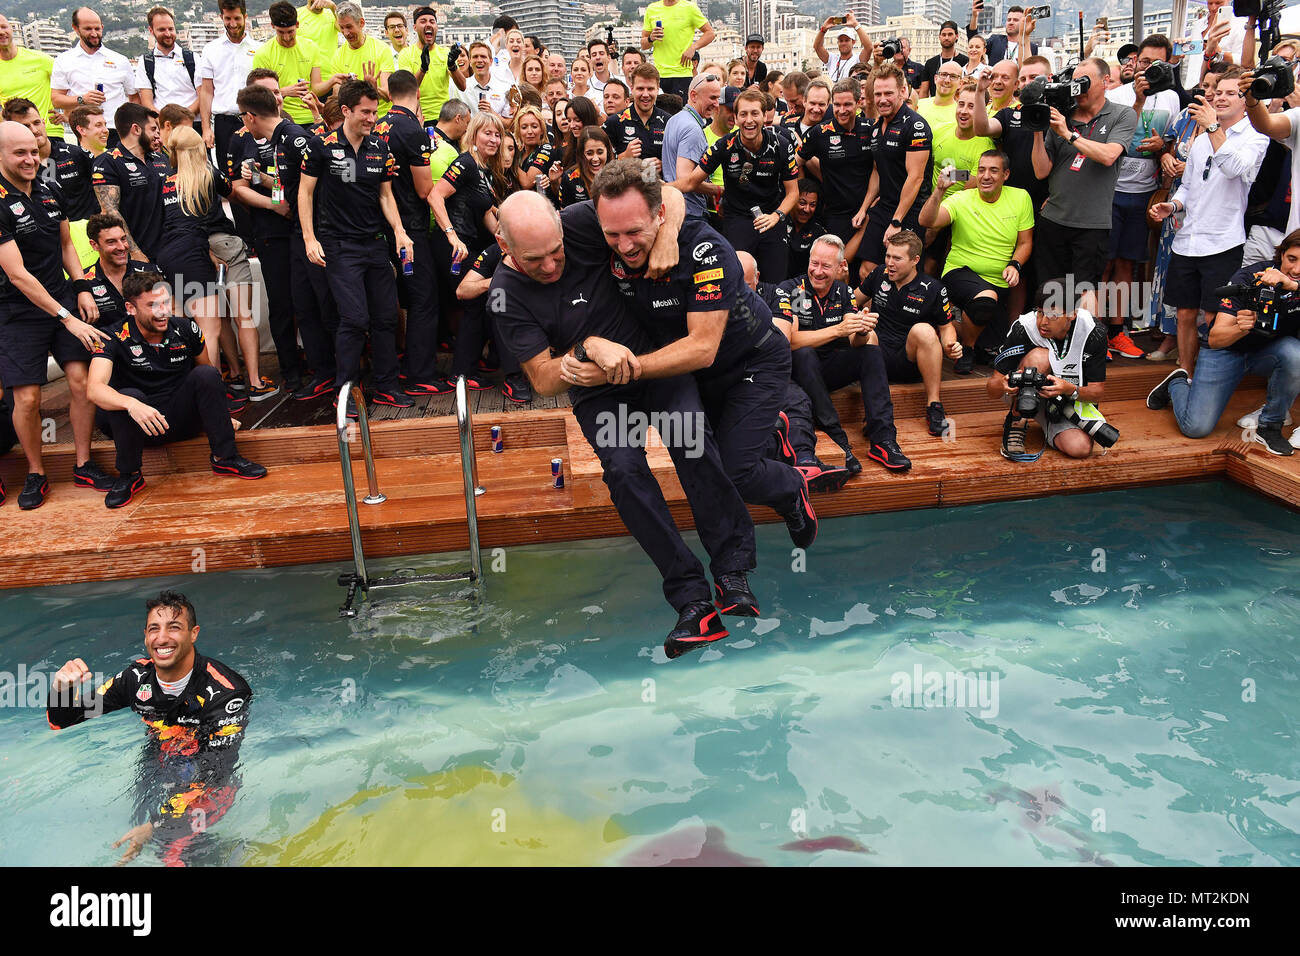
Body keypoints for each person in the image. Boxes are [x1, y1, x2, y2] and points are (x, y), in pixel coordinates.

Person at [493, 189, 760, 658]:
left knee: (691, 439)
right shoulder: (504, 293)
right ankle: (690, 597)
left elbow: (667, 192)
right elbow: (541, 379)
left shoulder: (579, 220)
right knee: (624, 473)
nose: (553, 267)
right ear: (504, 246)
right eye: (536, 261)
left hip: (652, 362)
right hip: (598, 391)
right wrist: (586, 347)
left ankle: (731, 569)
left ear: (563, 227)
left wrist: (669, 235)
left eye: (558, 253)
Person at [574, 159, 819, 548]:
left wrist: (620, 371)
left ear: (660, 216)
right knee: (707, 456)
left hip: (750, 362)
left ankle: (792, 488)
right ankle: (772, 437)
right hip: (693, 371)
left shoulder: (706, 249)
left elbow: (702, 349)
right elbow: (666, 188)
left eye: (635, 232)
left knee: (734, 473)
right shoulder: (613, 215)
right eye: (613, 234)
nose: (624, 245)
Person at [46, 590, 252, 865]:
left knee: (169, 846)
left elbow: (216, 770)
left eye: (174, 627)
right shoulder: (135, 680)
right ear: (145, 635)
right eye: (154, 629)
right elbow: (63, 720)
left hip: (211, 781)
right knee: (141, 831)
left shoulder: (226, 693)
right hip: (159, 758)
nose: (162, 637)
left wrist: (158, 825)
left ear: (194, 633)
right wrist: (60, 689)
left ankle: (232, 854)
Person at [0, 119, 109, 509]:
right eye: (20, 153)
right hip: (18, 310)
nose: (30, 159)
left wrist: (81, 287)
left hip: (63, 299)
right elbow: (17, 274)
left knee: (81, 381)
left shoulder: (49, 189)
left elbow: (66, 244)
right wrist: (67, 316)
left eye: (33, 150)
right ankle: (36, 472)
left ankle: (82, 463)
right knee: (27, 398)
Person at [87, 273, 267, 504]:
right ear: (131, 308)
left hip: (178, 417)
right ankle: (130, 475)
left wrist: (219, 417)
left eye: (165, 302)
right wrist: (131, 405)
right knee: (127, 395)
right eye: (153, 305)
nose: (163, 311)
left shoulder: (186, 329)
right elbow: (94, 389)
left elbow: (208, 380)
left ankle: (226, 458)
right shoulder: (112, 336)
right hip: (136, 426)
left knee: (207, 373)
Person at [300, 79, 415, 415]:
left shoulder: (381, 148)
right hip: (338, 246)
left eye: (374, 111)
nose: (371, 117)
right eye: (365, 112)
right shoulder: (320, 146)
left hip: (374, 244)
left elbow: (386, 195)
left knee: (385, 317)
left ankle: (387, 387)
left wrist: (399, 231)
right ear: (346, 110)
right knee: (354, 318)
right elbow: (305, 193)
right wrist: (309, 238)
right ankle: (346, 391)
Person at [1149, 66, 1267, 378]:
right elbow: (1189, 185)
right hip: (1188, 238)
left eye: (1232, 93)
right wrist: (1173, 205)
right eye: (1219, 93)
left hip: (1223, 240)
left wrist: (1213, 127)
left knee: (1216, 314)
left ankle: (1212, 378)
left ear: (1246, 101)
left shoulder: (1255, 137)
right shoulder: (1202, 139)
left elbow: (1235, 169)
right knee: (1186, 312)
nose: (1222, 98)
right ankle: (1185, 373)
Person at [1146, 232, 1300, 454]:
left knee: (1296, 354)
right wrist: (1242, 327)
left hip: (1268, 351)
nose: (1295, 270)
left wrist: (1293, 287)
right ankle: (1177, 383)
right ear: (1281, 256)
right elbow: (1216, 338)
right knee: (1196, 427)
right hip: (1226, 351)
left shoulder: (1295, 282)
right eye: (1291, 259)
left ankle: (1270, 427)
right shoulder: (1250, 277)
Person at [234, 83, 337, 402]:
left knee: (322, 305)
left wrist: (311, 230)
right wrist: (264, 182)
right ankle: (323, 373)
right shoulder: (279, 140)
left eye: (241, 117)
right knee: (303, 305)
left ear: (250, 117)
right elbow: (288, 184)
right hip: (295, 232)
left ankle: (340, 374)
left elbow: (322, 183)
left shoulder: (295, 138)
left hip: (313, 233)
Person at [1030, 58, 1138, 354]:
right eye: (1076, 81)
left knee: (1085, 289)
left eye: (1086, 81)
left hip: (1091, 222)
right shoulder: (1062, 116)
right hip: (1054, 218)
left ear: (1105, 81)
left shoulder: (1122, 115)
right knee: (1050, 288)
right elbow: (1041, 171)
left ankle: (1088, 352)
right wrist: (1040, 129)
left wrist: (1069, 133)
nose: (1079, 88)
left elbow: (1108, 156)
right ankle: (1051, 349)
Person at [777, 233, 910, 471]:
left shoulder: (843, 291)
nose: (818, 271)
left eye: (826, 266)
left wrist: (861, 329)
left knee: (870, 351)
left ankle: (884, 440)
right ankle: (838, 437)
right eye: (814, 263)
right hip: (797, 375)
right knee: (804, 353)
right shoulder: (791, 290)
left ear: (840, 267)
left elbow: (853, 340)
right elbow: (790, 342)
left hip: (828, 368)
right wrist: (838, 330)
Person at [738, 249, 854, 485]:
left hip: (765, 372)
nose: (737, 290)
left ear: (757, 277)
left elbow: (779, 339)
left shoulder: (775, 292)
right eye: (732, 281)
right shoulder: (710, 297)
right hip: (728, 376)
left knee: (798, 401)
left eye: (745, 284)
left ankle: (806, 462)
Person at [920, 149, 1033, 374]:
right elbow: (926, 220)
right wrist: (940, 191)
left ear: (1006, 175)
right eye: (981, 170)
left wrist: (1015, 264)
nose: (986, 176)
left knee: (992, 343)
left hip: (999, 282)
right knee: (985, 301)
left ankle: (945, 321)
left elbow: (1025, 243)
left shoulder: (1021, 197)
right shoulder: (961, 198)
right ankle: (968, 349)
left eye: (993, 170)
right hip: (959, 272)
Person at [228, 72, 303, 397]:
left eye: (278, 91)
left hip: (300, 227)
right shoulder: (240, 139)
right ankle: (291, 371)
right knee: (282, 305)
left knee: (308, 302)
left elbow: (293, 185)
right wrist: (275, 206)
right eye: (270, 93)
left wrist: (278, 198)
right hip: (270, 232)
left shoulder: (290, 134)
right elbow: (238, 190)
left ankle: (316, 364)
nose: (278, 97)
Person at [1105, 35, 1181, 351]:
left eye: (1156, 63)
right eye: (1144, 61)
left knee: (1127, 264)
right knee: (1102, 264)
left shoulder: (1172, 99)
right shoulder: (1117, 94)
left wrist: (1161, 147)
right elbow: (1111, 138)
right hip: (1110, 190)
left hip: (1145, 192)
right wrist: (1137, 101)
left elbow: (1173, 143)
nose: (1148, 68)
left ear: (1169, 64)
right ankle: (1092, 331)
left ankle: (1117, 331)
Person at [430, 111, 509, 390]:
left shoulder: (484, 170)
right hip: (452, 247)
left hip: (468, 245)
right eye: (487, 133)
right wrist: (452, 236)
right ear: (473, 135)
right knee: (474, 303)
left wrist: (513, 241)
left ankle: (469, 368)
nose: (494, 139)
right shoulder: (464, 162)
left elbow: (490, 217)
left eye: (498, 134)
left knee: (481, 305)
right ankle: (461, 373)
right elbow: (434, 195)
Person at [853, 231, 960, 436]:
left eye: (897, 258)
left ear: (915, 260)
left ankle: (934, 406)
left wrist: (951, 346)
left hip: (909, 359)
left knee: (925, 330)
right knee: (866, 329)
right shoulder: (878, 274)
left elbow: (947, 328)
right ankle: (875, 411)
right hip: (876, 355)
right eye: (888, 256)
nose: (890, 263)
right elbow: (853, 301)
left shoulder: (933, 288)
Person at [686, 87, 798, 282]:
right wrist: (662, 187)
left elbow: (793, 193)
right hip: (737, 219)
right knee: (737, 279)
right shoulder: (724, 145)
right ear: (736, 118)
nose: (749, 120)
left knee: (775, 282)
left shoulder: (781, 144)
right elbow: (690, 181)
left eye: (755, 113)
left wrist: (776, 216)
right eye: (743, 114)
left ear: (765, 115)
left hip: (771, 218)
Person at [989, 284, 1109, 461]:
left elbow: (1097, 393)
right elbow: (991, 389)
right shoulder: (1023, 327)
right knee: (1039, 357)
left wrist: (1069, 389)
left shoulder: (1094, 332)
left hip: (1067, 400)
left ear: (1072, 314)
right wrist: (1003, 385)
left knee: (1080, 449)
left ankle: (1050, 420)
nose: (1043, 321)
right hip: (1024, 395)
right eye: (1039, 312)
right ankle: (1017, 421)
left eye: (1052, 315)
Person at [852, 65, 933, 277]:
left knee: (903, 276)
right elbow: (878, 171)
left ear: (902, 92)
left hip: (911, 211)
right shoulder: (877, 126)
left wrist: (896, 222)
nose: (882, 99)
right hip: (885, 206)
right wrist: (864, 208)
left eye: (888, 93)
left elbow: (915, 178)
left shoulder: (916, 126)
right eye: (878, 94)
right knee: (866, 272)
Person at [799, 76, 871, 259]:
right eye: (837, 105)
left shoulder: (871, 129)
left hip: (867, 211)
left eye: (847, 105)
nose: (842, 110)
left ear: (858, 103)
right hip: (835, 214)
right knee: (837, 266)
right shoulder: (819, 133)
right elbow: (795, 163)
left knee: (865, 269)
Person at [92, 103, 167, 263]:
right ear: (136, 129)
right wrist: (135, 253)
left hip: (171, 250)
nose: (158, 135)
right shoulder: (108, 162)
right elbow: (110, 211)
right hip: (138, 257)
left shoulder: (161, 158)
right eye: (153, 129)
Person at [51, 8, 139, 145]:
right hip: (86, 131)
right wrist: (82, 99)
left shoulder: (120, 60)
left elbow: (134, 98)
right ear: (76, 28)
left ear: (102, 27)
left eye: (97, 28)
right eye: (88, 29)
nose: (94, 33)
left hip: (118, 130)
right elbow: (56, 99)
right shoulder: (63, 60)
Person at [198, 0, 260, 160]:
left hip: (254, 120)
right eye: (228, 19)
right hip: (223, 123)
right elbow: (206, 91)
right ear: (221, 17)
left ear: (245, 17)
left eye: (237, 18)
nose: (232, 24)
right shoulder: (210, 49)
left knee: (257, 173)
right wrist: (206, 129)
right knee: (227, 174)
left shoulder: (260, 49)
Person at [252, 2, 329, 127]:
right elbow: (259, 97)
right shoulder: (263, 54)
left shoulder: (311, 47)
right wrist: (284, 92)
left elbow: (315, 87)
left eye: (290, 32)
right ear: (272, 26)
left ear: (297, 25)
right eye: (281, 32)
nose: (286, 37)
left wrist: (333, 80)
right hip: (280, 119)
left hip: (310, 116)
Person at [84, 213, 161, 330]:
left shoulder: (150, 272)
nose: (122, 247)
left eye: (123, 239)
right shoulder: (83, 282)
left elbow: (172, 312)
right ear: (94, 245)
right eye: (111, 242)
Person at [662, 71, 721, 221]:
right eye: (712, 98)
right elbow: (686, 180)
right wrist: (716, 190)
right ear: (694, 95)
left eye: (718, 98)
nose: (716, 104)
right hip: (690, 213)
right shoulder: (692, 129)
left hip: (674, 208)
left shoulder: (674, 120)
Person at [396, 6, 468, 123]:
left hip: (444, 118)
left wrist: (452, 66)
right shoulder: (406, 53)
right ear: (414, 27)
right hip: (418, 118)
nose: (428, 25)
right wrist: (423, 69)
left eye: (432, 21)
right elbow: (408, 89)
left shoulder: (444, 52)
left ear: (436, 27)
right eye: (423, 21)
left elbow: (463, 86)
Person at [0, 15, 60, 141]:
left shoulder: (40, 59)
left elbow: (70, 83)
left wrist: (67, 113)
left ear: (12, 29)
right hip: (17, 137)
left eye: (4, 27)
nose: (1, 32)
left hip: (50, 133)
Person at [642, 0, 714, 101]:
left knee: (680, 114)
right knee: (660, 116)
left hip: (682, 74)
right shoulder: (652, 9)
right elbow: (643, 44)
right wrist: (650, 38)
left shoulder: (689, 8)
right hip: (658, 75)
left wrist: (693, 47)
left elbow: (710, 33)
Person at [330, 3, 395, 109]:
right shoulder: (338, 55)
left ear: (361, 23)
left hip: (381, 118)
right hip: (353, 118)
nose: (346, 33)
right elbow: (337, 97)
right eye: (341, 28)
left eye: (349, 27)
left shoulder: (381, 49)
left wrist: (372, 88)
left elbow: (388, 95)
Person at [604, 64, 669, 170]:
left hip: (659, 185)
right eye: (640, 89)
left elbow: (678, 164)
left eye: (650, 89)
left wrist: (664, 165)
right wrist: (624, 157)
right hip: (624, 185)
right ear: (632, 89)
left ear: (658, 89)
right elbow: (599, 164)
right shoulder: (613, 123)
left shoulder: (669, 122)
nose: (645, 94)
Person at [136, 7, 199, 114]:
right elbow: (146, 101)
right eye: (162, 30)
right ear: (151, 30)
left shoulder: (193, 58)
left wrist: (184, 117)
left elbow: (203, 95)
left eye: (171, 29)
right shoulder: (145, 62)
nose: (168, 34)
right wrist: (163, 121)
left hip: (191, 122)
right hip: (162, 124)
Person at [555, 127, 611, 208]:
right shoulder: (570, 178)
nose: (595, 159)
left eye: (600, 152)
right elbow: (565, 215)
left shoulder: (618, 175)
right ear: (581, 154)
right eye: (589, 153)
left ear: (607, 151)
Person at [967, 3, 1039, 65]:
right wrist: (974, 16)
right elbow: (974, 41)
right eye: (1009, 20)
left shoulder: (1031, 47)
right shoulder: (995, 40)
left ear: (1023, 22)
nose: (1011, 22)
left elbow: (1031, 70)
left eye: (1015, 20)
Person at [786, 177, 826, 279]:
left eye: (812, 205)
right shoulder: (778, 223)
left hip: (804, 288)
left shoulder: (819, 233)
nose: (807, 209)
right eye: (802, 203)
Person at [814, 15, 873, 84]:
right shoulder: (832, 59)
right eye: (841, 41)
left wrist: (855, 25)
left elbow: (869, 48)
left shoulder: (857, 59)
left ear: (853, 42)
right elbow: (817, 47)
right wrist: (823, 29)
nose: (843, 43)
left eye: (847, 40)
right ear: (837, 43)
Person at [920, 20, 970, 97]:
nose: (946, 38)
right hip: (935, 105)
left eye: (950, 34)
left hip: (956, 106)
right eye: (944, 35)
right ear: (939, 37)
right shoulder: (930, 63)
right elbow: (924, 92)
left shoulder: (965, 61)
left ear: (956, 36)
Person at [917, 60, 963, 138]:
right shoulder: (918, 105)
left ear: (960, 84)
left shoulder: (961, 114)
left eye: (953, 76)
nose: (947, 80)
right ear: (935, 78)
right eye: (944, 75)